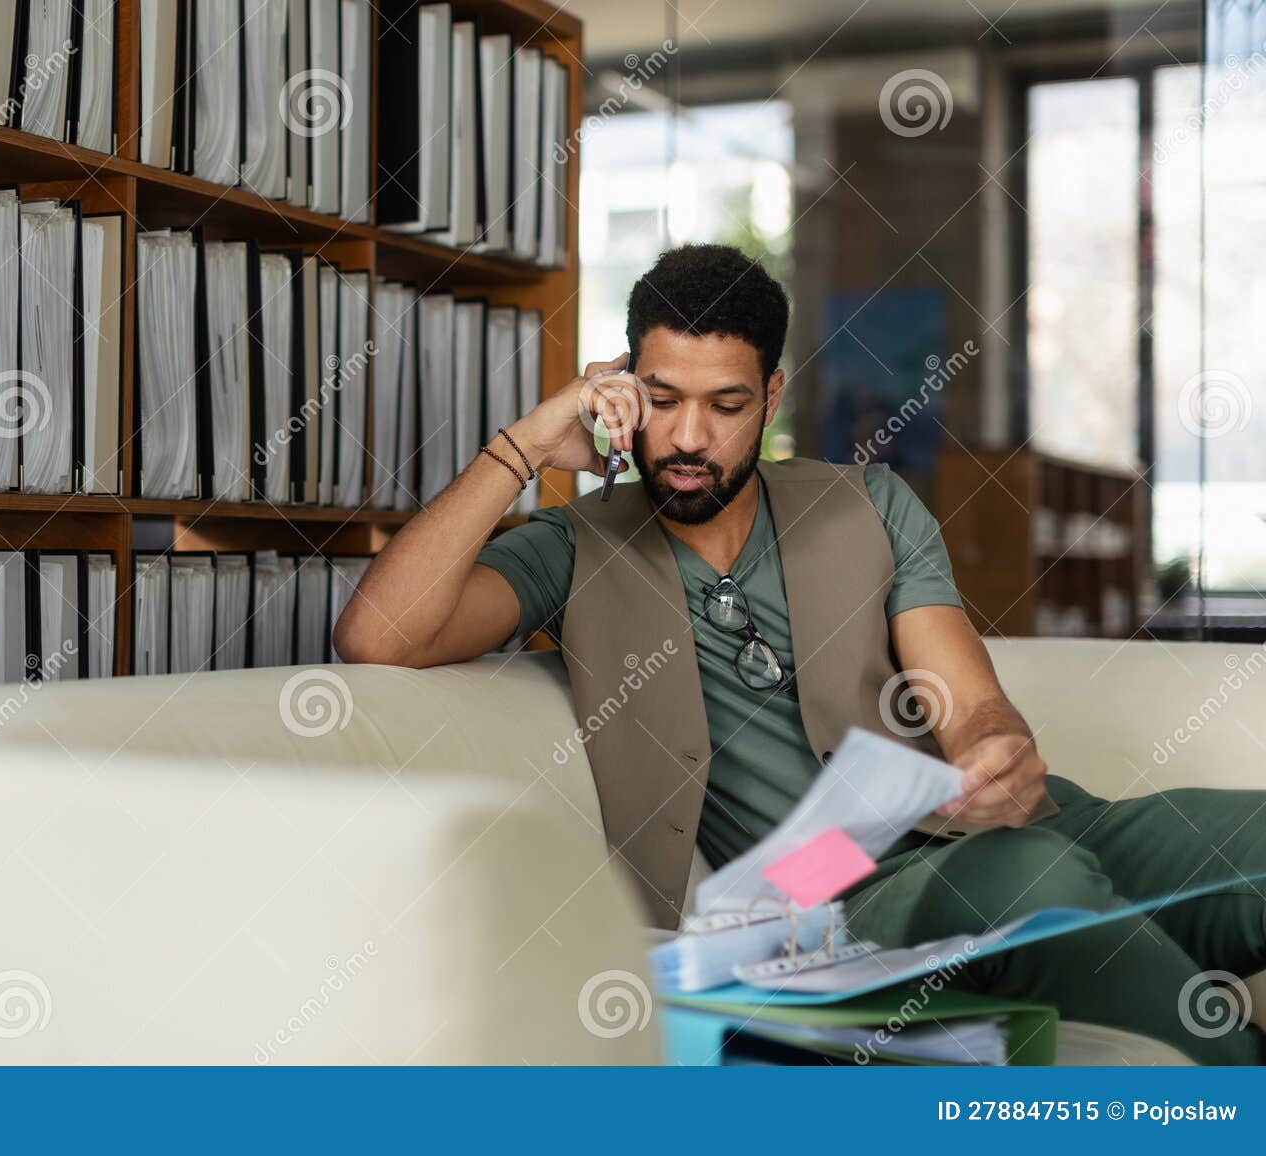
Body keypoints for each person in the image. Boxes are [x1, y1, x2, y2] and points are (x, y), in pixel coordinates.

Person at [333, 242, 1266, 1064]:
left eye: (726, 405)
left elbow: (968, 699)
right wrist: (530, 442)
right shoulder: (573, 544)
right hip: (842, 903)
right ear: (620, 386)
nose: (690, 437)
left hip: (994, 832)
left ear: (772, 396)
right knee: (1045, 885)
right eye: (661, 399)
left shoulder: (871, 504)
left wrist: (996, 748)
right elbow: (378, 637)